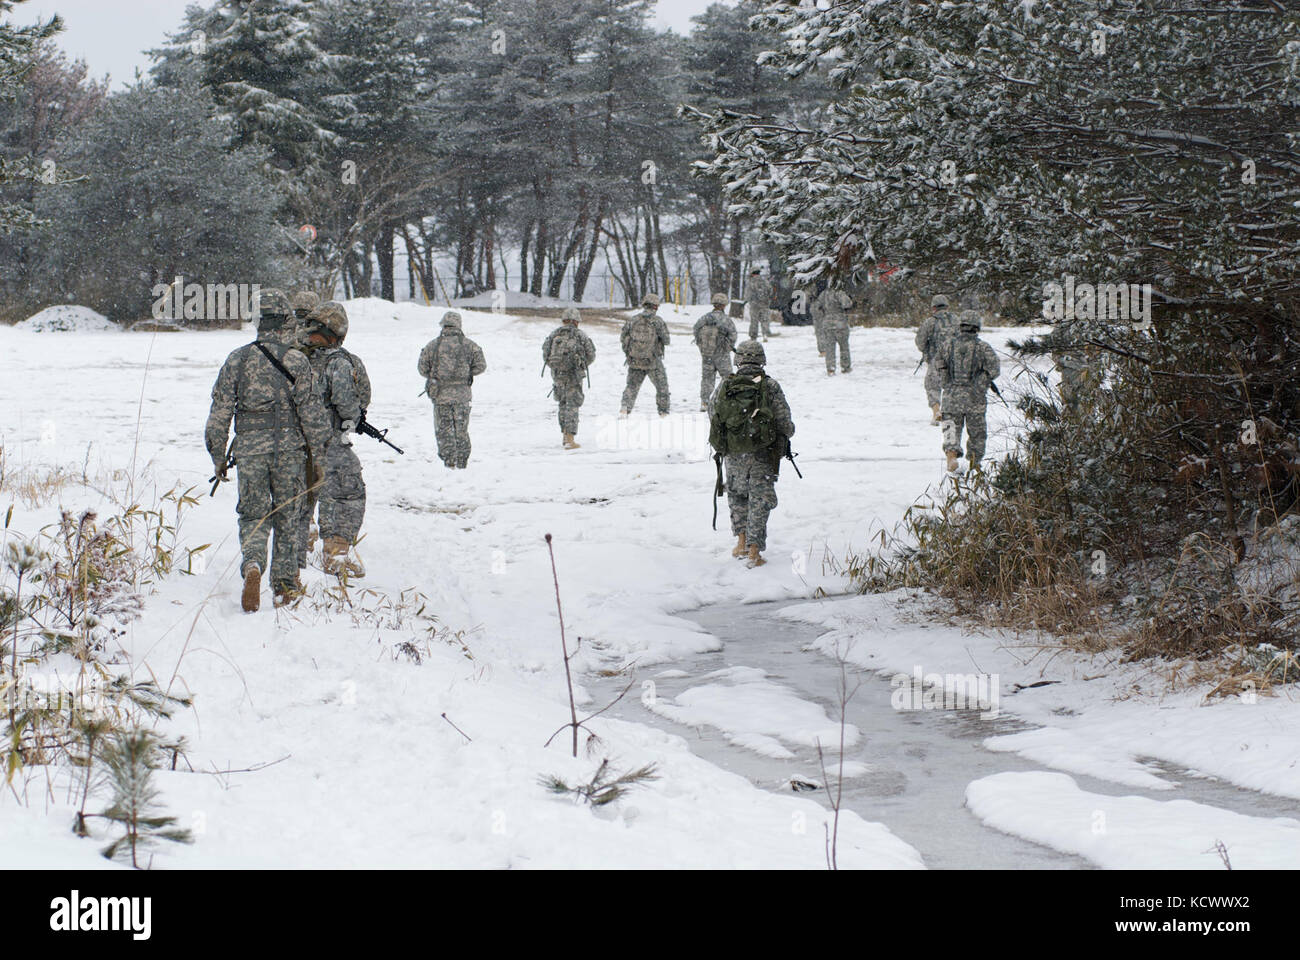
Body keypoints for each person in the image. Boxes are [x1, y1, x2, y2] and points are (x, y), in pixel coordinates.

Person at [204, 288, 331, 611]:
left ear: (258, 322)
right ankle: (285, 585)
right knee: (288, 514)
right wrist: (319, 457)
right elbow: (312, 414)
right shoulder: (297, 360)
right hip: (290, 451)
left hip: (249, 450)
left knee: (253, 514)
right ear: (285, 322)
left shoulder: (238, 359)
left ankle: (253, 565)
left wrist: (218, 455)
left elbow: (219, 413)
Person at [296, 301, 370, 578]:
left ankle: (298, 543)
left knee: (300, 490)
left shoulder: (291, 356)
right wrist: (353, 420)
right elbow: (349, 403)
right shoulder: (339, 361)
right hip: (328, 440)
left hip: (292, 440)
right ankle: (336, 551)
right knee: (345, 490)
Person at [708, 340, 795, 569]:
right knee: (759, 499)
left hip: (733, 453)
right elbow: (785, 422)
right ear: (761, 359)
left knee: (737, 495)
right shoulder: (770, 386)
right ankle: (755, 551)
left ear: (739, 360)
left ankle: (741, 543)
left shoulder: (726, 385)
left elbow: (713, 414)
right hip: (762, 455)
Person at [418, 310, 487, 469]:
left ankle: (448, 461)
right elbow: (481, 366)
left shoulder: (432, 346)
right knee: (461, 430)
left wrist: (436, 376)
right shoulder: (470, 345)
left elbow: (422, 369)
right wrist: (467, 373)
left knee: (444, 431)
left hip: (440, 395)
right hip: (462, 395)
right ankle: (462, 461)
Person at [936, 310, 1000, 473]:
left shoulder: (947, 345)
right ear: (976, 327)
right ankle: (974, 463)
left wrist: (946, 382)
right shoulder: (983, 347)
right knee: (977, 434)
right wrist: (981, 383)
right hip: (975, 399)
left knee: (951, 428)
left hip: (951, 397)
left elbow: (939, 363)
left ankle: (951, 456)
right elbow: (994, 369)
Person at [542, 307, 597, 449]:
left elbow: (545, 355)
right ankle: (570, 439)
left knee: (562, 403)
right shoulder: (580, 335)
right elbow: (591, 355)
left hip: (558, 375)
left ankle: (564, 435)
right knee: (572, 405)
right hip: (574, 375)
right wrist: (580, 366)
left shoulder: (554, 334)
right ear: (577, 321)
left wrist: (556, 368)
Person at [619, 293, 670, 416]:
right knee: (662, 387)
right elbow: (667, 340)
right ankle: (663, 412)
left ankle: (624, 409)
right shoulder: (657, 321)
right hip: (653, 361)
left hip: (635, 360)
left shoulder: (633, 320)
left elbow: (623, 337)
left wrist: (630, 353)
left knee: (631, 386)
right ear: (656, 307)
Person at [916, 294, 959, 424]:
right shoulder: (956, 320)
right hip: (955, 359)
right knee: (952, 385)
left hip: (937, 359)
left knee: (932, 385)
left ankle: (936, 411)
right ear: (947, 306)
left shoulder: (930, 322)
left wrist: (926, 351)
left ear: (933, 307)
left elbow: (920, 341)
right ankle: (953, 412)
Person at [693, 292, 737, 411]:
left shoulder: (705, 317)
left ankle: (705, 402)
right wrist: (728, 347)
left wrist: (701, 346)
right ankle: (729, 401)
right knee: (728, 377)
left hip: (707, 353)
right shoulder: (726, 319)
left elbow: (696, 329)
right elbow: (733, 334)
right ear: (724, 305)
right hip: (722, 353)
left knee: (707, 378)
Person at [817, 283, 852, 375]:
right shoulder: (840, 293)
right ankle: (845, 367)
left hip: (827, 324)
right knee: (844, 347)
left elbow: (818, 306)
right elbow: (847, 304)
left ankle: (830, 368)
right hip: (840, 323)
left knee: (829, 348)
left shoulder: (823, 294)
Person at [745, 268, 774, 341]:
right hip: (764, 304)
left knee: (754, 321)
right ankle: (765, 334)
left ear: (752, 273)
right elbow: (770, 291)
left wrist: (750, 301)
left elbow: (747, 295)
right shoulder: (765, 281)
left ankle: (753, 336)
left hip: (754, 305)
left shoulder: (751, 282)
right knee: (764, 320)